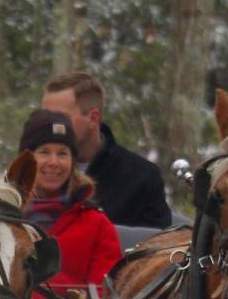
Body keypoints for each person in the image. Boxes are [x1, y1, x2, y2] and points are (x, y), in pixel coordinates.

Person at [18, 108, 121, 299]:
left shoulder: (96, 224)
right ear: (26, 160)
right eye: (44, 152)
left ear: (73, 162)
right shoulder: (3, 216)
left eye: (63, 153)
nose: (53, 162)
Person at [40, 71, 172, 229]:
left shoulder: (140, 178)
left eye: (61, 118)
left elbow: (161, 246)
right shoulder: (32, 172)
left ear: (93, 118)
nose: (50, 126)